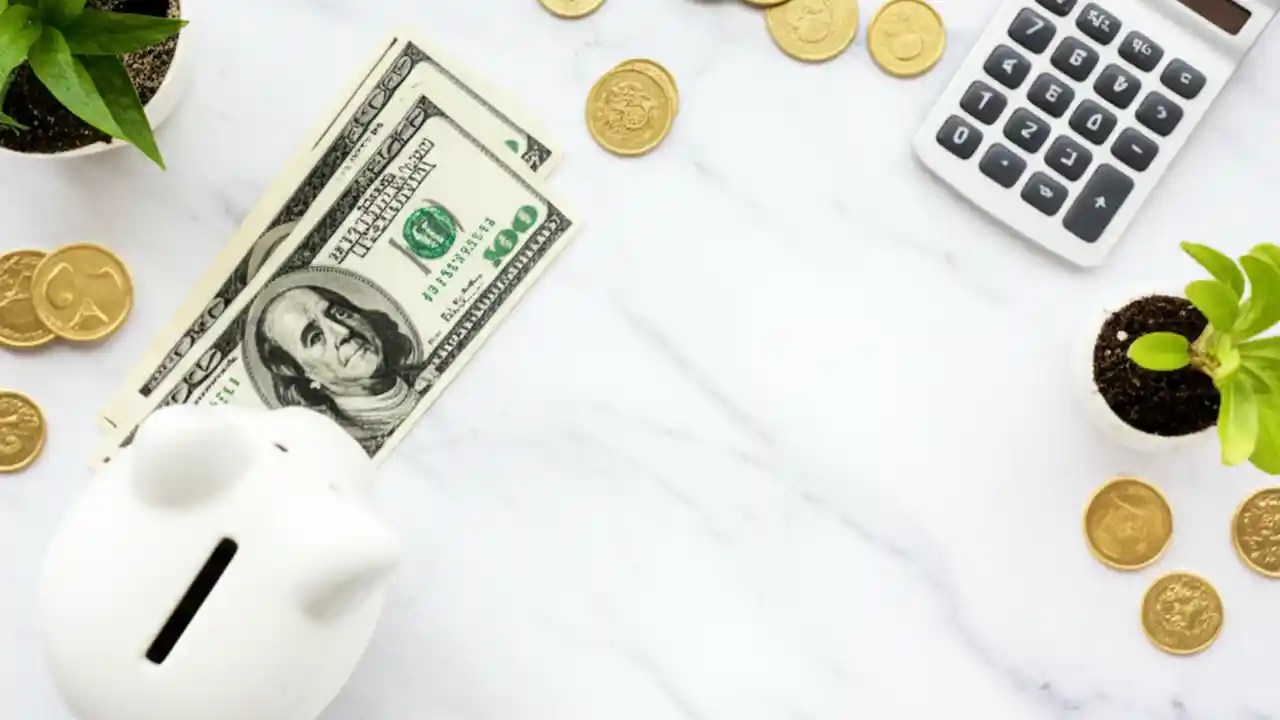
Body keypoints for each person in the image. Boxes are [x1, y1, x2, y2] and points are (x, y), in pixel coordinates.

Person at [254, 285, 422, 452]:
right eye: (315, 337)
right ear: (304, 374)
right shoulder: (351, 450)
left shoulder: (425, 374)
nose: (343, 331)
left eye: (339, 313)